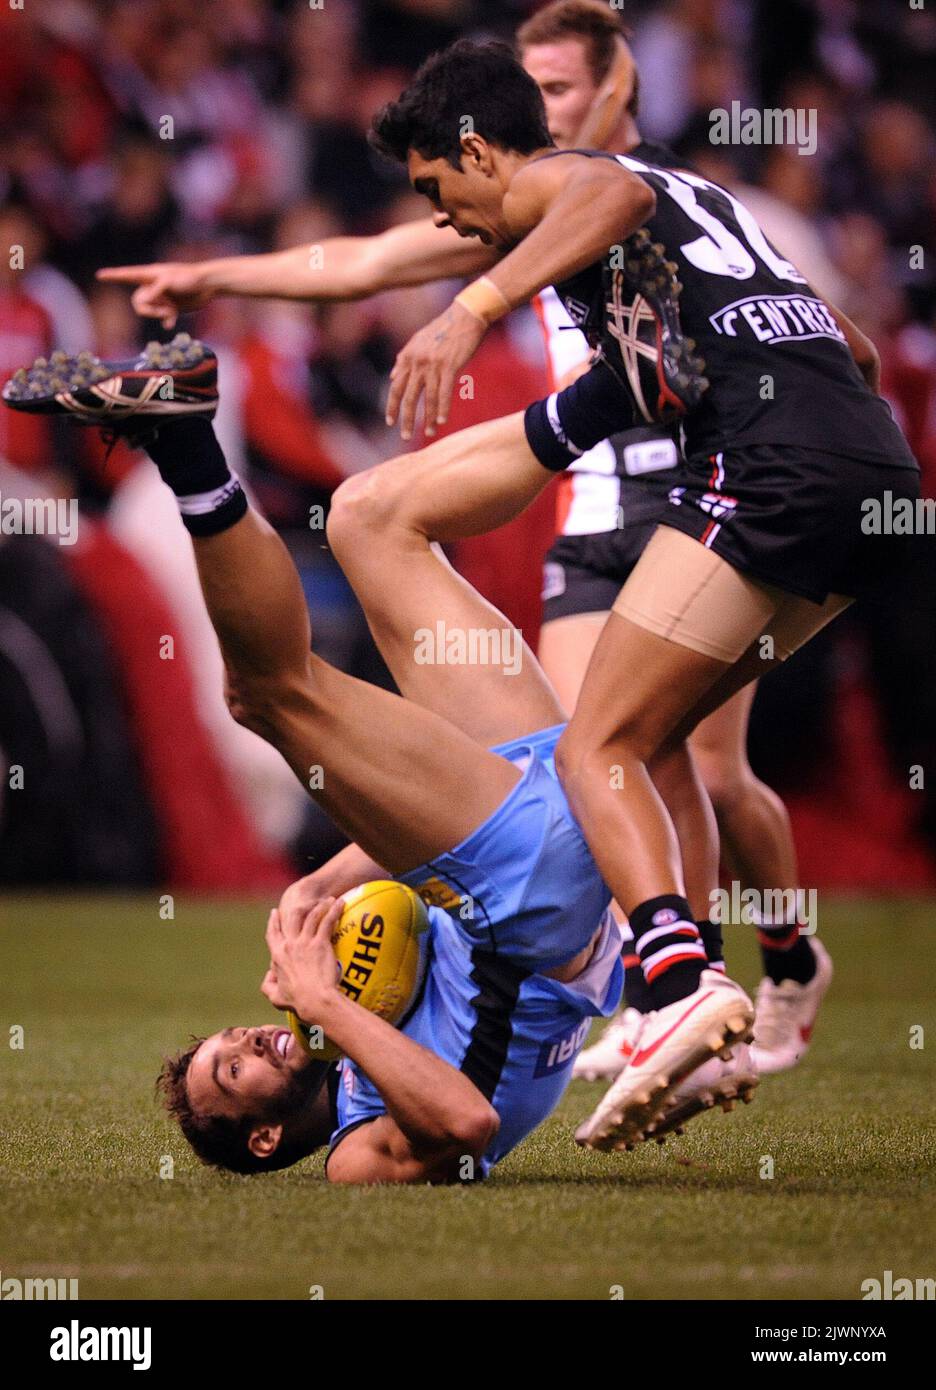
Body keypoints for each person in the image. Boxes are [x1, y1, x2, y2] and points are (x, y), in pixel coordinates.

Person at [93, 4, 827, 1089]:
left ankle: (770, 958)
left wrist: (474, 311)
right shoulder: (514, 210)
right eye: (533, 88)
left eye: (565, 88)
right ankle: (659, 997)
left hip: (706, 492)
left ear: (618, 89)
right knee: (586, 761)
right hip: (595, 512)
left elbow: (685, 243)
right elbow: (360, 259)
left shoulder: (645, 192)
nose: (547, 107)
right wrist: (214, 279)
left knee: (703, 768)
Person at [325, 38, 917, 1148]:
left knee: (595, 743)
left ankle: (674, 991)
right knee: (659, 744)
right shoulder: (707, 201)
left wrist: (475, 308)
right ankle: (713, 997)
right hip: (872, 472)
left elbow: (604, 186)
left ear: (474, 149)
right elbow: (855, 347)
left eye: (437, 189)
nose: (447, 218)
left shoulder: (566, 175)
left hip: (773, 469)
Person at [3, 340, 755, 1175]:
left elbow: (427, 858)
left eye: (229, 1043)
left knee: (372, 520)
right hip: (528, 893)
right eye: (234, 1069)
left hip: (545, 822)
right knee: (264, 696)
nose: (249, 1042)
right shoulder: (355, 1151)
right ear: (262, 1137)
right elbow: (467, 1123)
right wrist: (323, 1002)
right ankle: (186, 448)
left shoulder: (358, 1030)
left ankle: (611, 397)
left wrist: (324, 882)